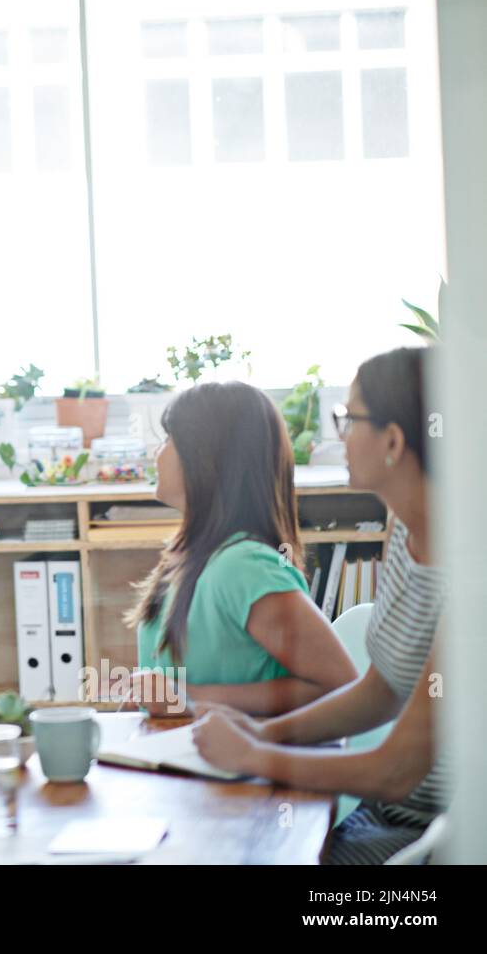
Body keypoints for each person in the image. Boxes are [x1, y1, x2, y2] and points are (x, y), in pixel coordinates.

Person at [194, 347, 448, 864]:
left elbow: (395, 773)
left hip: (438, 840)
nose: (339, 434)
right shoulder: (402, 528)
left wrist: (257, 755)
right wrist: (263, 733)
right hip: (381, 815)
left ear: (394, 441)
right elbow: (379, 692)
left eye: (349, 418)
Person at [125, 381, 356, 715]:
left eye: (168, 439)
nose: (157, 453)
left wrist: (186, 698)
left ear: (204, 458)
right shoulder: (185, 556)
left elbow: (339, 687)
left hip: (242, 764)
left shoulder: (244, 567)